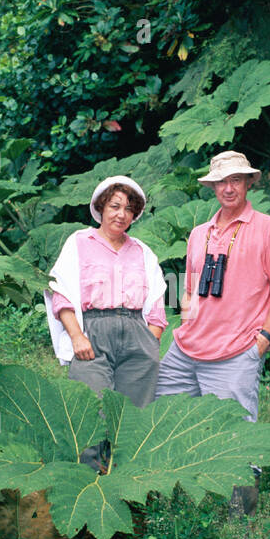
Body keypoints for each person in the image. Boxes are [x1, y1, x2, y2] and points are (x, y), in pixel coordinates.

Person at [155, 150, 270, 515]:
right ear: (212, 186)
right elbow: (188, 288)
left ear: (249, 182)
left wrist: (264, 339)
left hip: (236, 351)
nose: (228, 187)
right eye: (221, 181)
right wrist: (186, 324)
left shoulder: (268, 228)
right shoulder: (199, 233)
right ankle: (177, 502)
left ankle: (241, 519)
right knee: (167, 418)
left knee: (238, 436)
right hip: (186, 348)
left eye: (236, 179)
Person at [44, 175, 168, 412]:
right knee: (92, 411)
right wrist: (77, 336)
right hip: (93, 333)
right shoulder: (79, 242)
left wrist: (150, 342)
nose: (121, 214)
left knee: (132, 417)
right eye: (115, 206)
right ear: (101, 207)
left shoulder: (143, 252)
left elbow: (157, 304)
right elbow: (61, 293)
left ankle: (125, 451)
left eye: (129, 209)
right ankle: (93, 452)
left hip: (137, 335)